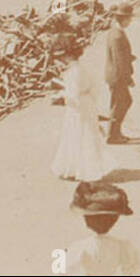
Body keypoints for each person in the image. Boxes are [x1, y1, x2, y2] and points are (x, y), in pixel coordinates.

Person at [52, 43, 115, 182]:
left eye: (62, 57)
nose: (61, 60)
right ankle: (81, 168)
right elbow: (94, 87)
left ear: (68, 56)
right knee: (86, 134)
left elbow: (72, 94)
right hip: (87, 104)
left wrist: (59, 95)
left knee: (78, 134)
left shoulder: (72, 72)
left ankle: (84, 170)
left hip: (78, 108)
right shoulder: (81, 68)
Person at [63, 181, 139, 276]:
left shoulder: (79, 247)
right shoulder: (122, 246)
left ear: (87, 220)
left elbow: (65, 271)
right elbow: (131, 270)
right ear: (114, 220)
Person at [104, 2, 136, 144]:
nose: (130, 21)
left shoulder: (115, 31)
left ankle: (114, 133)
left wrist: (129, 56)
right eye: (129, 18)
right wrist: (128, 78)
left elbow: (121, 55)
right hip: (118, 76)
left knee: (120, 102)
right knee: (121, 102)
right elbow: (119, 61)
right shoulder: (117, 35)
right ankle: (112, 135)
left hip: (115, 74)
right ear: (123, 19)